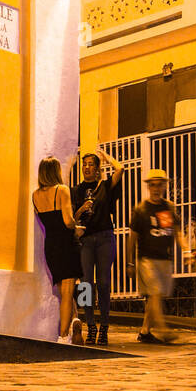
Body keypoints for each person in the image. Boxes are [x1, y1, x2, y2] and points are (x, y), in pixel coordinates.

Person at [128, 169, 193, 343]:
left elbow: (177, 233)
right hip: (146, 259)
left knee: (153, 296)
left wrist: (186, 251)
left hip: (164, 259)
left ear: (164, 186)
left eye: (159, 184)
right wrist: (130, 263)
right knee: (155, 293)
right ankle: (164, 330)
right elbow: (132, 238)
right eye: (153, 185)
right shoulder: (141, 210)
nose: (156, 188)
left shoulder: (168, 207)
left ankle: (144, 332)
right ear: (148, 186)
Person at [72, 146, 124, 346]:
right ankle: (90, 325)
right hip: (85, 239)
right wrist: (81, 209)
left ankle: (104, 327)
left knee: (103, 283)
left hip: (104, 238)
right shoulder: (76, 190)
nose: (86, 168)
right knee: (86, 284)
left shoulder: (104, 186)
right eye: (84, 164)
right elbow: (72, 217)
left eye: (91, 164)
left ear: (97, 168)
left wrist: (105, 157)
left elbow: (120, 169)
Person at [33, 156, 84, 345]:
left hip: (51, 246)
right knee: (68, 292)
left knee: (64, 293)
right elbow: (68, 221)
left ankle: (75, 319)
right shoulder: (62, 190)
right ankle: (63, 337)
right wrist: (77, 227)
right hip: (66, 244)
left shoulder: (35, 195)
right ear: (56, 172)